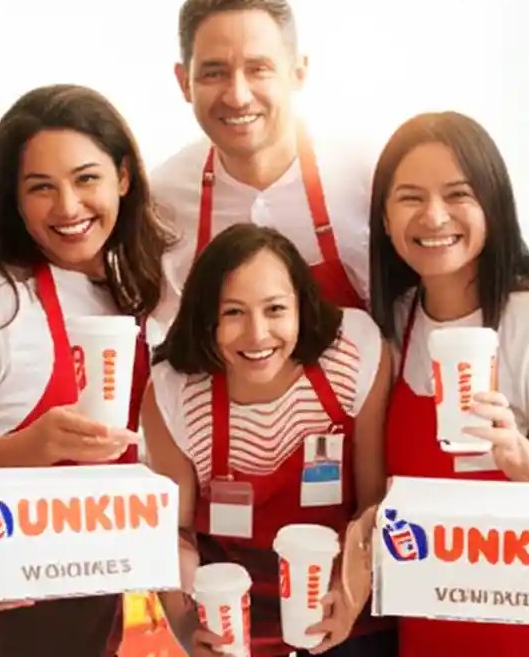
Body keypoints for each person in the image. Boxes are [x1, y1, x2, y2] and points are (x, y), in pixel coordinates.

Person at [0, 83, 174, 657]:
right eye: (41, 187)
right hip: (7, 612)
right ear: (14, 202)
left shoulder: (140, 289)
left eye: (86, 178)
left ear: (123, 177)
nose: (67, 206)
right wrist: (31, 446)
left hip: (117, 596)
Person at [368, 111, 529, 657]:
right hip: (428, 621)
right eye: (409, 198)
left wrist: (520, 457)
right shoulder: (397, 322)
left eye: (459, 194)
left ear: (494, 208)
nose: (434, 217)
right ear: (383, 219)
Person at [143, 223, 393, 657]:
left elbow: (372, 502)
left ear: (301, 306)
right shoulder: (174, 393)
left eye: (275, 309)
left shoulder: (353, 353)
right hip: (235, 624)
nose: (257, 335)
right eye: (233, 313)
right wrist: (186, 628)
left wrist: (348, 596)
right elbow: (175, 531)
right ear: (206, 319)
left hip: (346, 603)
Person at [150, 0, 373, 334]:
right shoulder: (160, 198)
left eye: (258, 69)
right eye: (214, 73)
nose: (237, 95)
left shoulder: (366, 177)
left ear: (297, 73)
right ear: (183, 83)